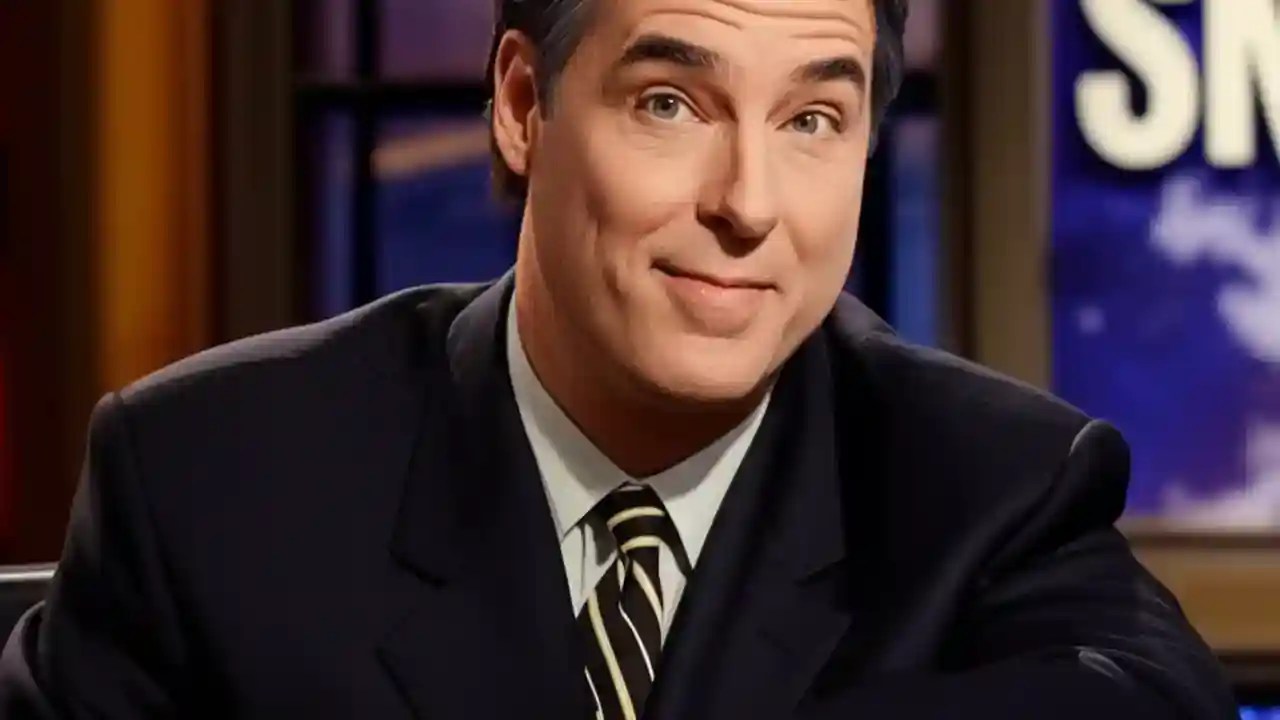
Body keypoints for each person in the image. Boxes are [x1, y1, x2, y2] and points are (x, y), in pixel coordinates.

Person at [0, 0, 1238, 717]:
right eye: (670, 104)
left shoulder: (987, 481)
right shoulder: (214, 479)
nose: (748, 204)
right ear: (523, 103)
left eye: (813, 119)